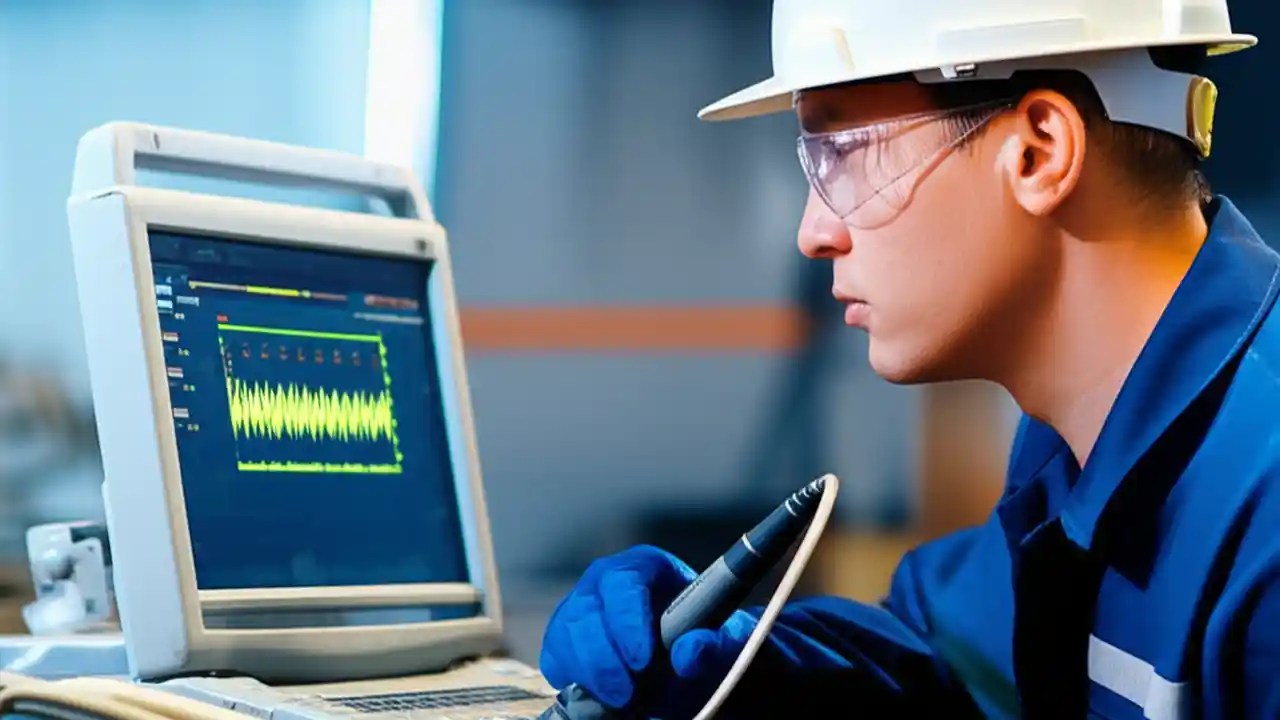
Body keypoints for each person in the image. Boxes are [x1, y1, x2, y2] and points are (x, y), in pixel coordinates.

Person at [540, 1, 1280, 718]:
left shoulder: (1263, 501)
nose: (813, 232)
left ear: (1039, 151)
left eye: (843, 154)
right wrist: (736, 660)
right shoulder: (1089, 439)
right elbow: (955, 661)